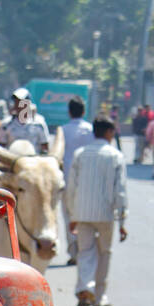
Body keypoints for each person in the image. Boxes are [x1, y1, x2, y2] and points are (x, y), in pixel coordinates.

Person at [67, 115, 128, 306]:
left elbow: (72, 187)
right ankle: (99, 296)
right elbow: (120, 191)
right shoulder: (115, 156)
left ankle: (86, 288)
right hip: (105, 214)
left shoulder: (80, 154)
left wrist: (71, 214)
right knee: (104, 253)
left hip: (83, 213)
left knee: (85, 253)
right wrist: (123, 220)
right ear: (109, 132)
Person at [60, 96, 94, 263]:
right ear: (84, 111)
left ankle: (74, 252)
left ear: (69, 112)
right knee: (85, 216)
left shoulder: (63, 130)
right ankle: (85, 250)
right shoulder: (91, 130)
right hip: (87, 181)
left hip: (67, 180)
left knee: (68, 216)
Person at [0, 88, 50, 152]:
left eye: (21, 102)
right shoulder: (6, 124)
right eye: (16, 102)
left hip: (33, 160)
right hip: (12, 160)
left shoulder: (39, 123)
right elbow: (1, 146)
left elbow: (45, 147)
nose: (18, 105)